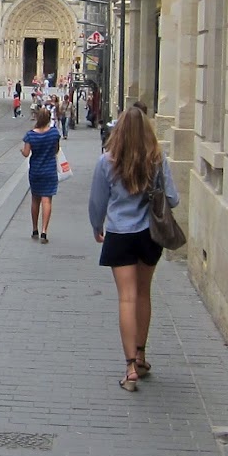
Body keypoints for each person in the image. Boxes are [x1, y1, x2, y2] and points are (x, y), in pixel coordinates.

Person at [88, 105, 179, 392]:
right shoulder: (156, 159)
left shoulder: (107, 160)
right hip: (149, 234)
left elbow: (97, 202)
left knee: (126, 298)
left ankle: (129, 369)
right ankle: (141, 355)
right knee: (143, 294)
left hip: (120, 233)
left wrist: (97, 226)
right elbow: (173, 198)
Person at [20, 106, 62, 242]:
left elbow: (26, 153)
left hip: (36, 171)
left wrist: (22, 150)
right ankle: (44, 231)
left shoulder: (30, 135)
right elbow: (56, 150)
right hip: (49, 170)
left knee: (35, 200)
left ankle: (34, 229)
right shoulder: (54, 133)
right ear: (49, 119)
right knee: (47, 200)